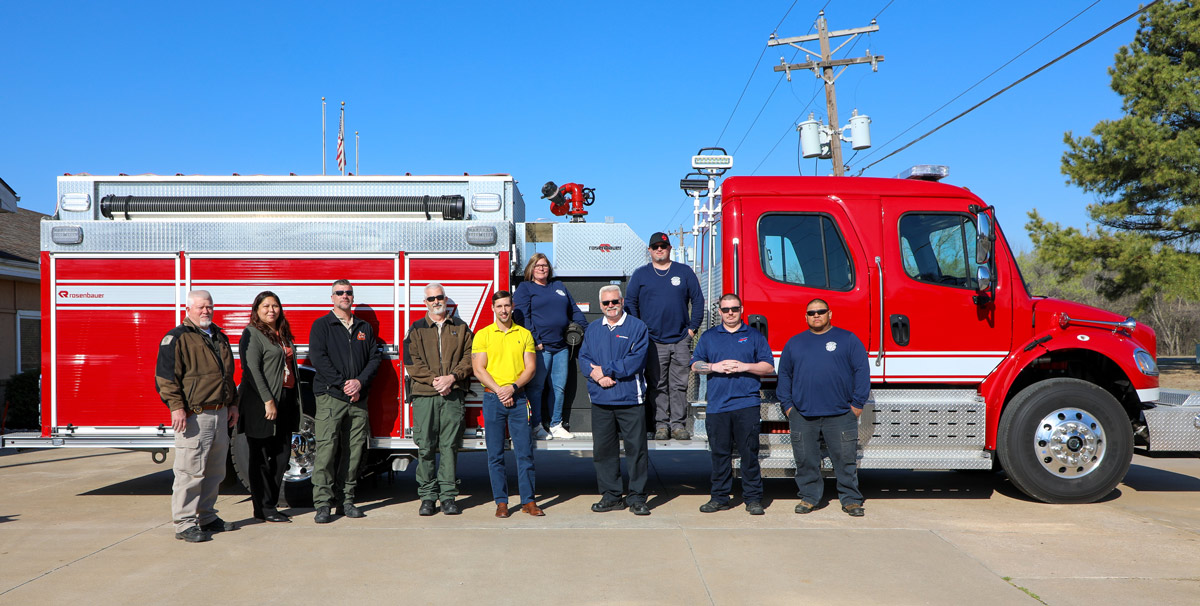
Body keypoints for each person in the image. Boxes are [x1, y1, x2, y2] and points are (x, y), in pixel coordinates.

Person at [155, 290, 239, 542]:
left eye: (209, 306)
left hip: (220, 413)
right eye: (201, 307)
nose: (206, 311)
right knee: (190, 472)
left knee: (215, 471)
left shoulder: (219, 336)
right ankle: (184, 523)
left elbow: (228, 376)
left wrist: (233, 404)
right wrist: (176, 407)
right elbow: (166, 377)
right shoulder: (177, 338)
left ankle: (206, 516)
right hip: (195, 415)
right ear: (188, 309)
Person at [777, 298, 870, 517]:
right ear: (805, 317)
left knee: (845, 461)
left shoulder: (847, 339)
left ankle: (850, 500)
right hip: (803, 415)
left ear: (830, 313)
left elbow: (861, 371)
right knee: (806, 460)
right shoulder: (794, 343)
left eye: (820, 311)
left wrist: (857, 405)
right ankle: (809, 498)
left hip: (840, 414)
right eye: (811, 313)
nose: (816, 315)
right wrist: (789, 407)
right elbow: (784, 375)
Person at [689, 294, 774, 515]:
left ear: (741, 309)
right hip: (717, 406)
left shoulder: (754, 336)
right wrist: (714, 367)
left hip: (747, 404)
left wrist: (744, 366)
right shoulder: (709, 337)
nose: (730, 313)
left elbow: (768, 367)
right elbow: (695, 365)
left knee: (749, 453)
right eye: (725, 309)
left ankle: (753, 499)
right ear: (719, 311)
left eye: (734, 309)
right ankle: (719, 498)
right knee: (719, 454)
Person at [308, 280, 381, 524]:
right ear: (332, 298)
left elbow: (374, 357)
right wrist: (344, 384)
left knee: (354, 452)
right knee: (326, 451)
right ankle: (322, 504)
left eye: (348, 292)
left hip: (358, 399)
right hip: (331, 397)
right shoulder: (321, 326)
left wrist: (359, 383)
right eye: (339, 293)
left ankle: (346, 500)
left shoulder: (363, 327)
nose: (344, 296)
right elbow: (319, 359)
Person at [578, 285, 652, 516]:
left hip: (630, 398)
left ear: (622, 302)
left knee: (636, 450)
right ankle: (611, 496)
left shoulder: (637, 327)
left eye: (615, 302)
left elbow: (635, 361)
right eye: (606, 303)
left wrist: (606, 371)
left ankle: (637, 497)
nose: (611, 306)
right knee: (603, 451)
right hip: (601, 399)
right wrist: (597, 377)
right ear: (600, 306)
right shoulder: (592, 329)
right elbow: (583, 358)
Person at [403, 283, 473, 516]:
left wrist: (452, 378)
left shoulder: (462, 328)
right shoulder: (416, 328)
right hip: (425, 395)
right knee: (425, 447)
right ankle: (427, 497)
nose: (436, 301)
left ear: (445, 300)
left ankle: (448, 497)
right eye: (431, 298)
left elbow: (470, 358)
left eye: (439, 297)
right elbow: (411, 362)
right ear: (425, 302)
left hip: (453, 394)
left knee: (450, 447)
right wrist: (436, 381)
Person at [626, 232, 704, 441]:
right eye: (655, 246)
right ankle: (661, 425)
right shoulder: (641, 274)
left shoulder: (684, 272)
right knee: (658, 384)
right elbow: (630, 302)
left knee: (679, 385)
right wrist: (640, 330)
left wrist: (692, 329)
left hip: (680, 339)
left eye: (663, 246)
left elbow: (698, 301)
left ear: (670, 249)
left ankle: (678, 425)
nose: (660, 249)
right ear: (649, 251)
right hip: (652, 341)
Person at [472, 290, 544, 518]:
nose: (503, 310)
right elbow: (478, 369)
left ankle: (528, 501)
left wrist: (511, 388)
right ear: (493, 308)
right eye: (499, 306)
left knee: (524, 453)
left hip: (519, 398)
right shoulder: (483, 335)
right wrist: (500, 391)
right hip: (493, 399)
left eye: (507, 305)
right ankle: (501, 502)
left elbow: (530, 368)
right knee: (495, 454)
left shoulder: (524, 334)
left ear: (512, 307)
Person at [237, 291, 301, 524]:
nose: (271, 310)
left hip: (285, 400)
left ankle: (270, 504)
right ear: (256, 310)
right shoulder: (252, 333)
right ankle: (262, 507)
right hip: (261, 403)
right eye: (266, 306)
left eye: (275, 306)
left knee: (282, 455)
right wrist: (268, 400)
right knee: (261, 457)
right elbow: (251, 369)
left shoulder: (282, 334)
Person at [513, 253, 588, 440]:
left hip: (561, 346)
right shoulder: (525, 288)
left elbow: (574, 310)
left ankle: (556, 424)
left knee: (558, 387)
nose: (541, 268)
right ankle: (536, 426)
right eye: (537, 265)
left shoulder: (559, 286)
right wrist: (535, 340)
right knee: (536, 388)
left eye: (545, 265)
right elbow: (522, 316)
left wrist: (584, 329)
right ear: (531, 268)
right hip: (539, 347)